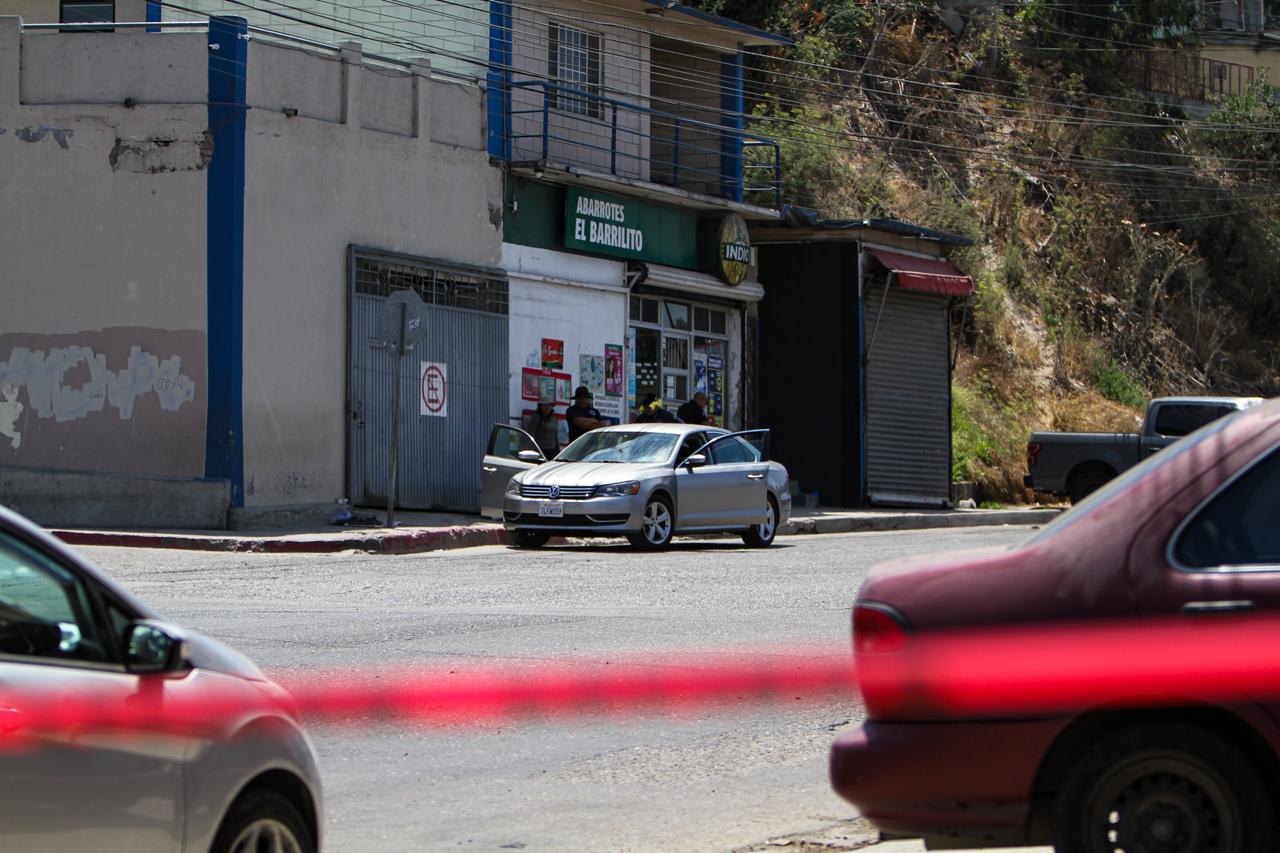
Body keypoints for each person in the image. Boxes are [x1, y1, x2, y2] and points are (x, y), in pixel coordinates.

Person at [524, 394, 560, 460]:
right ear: (540, 406)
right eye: (545, 405)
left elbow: (556, 436)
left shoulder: (554, 419)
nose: (547, 407)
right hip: (541, 450)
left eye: (549, 405)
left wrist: (558, 451)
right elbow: (531, 434)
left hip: (553, 450)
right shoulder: (536, 417)